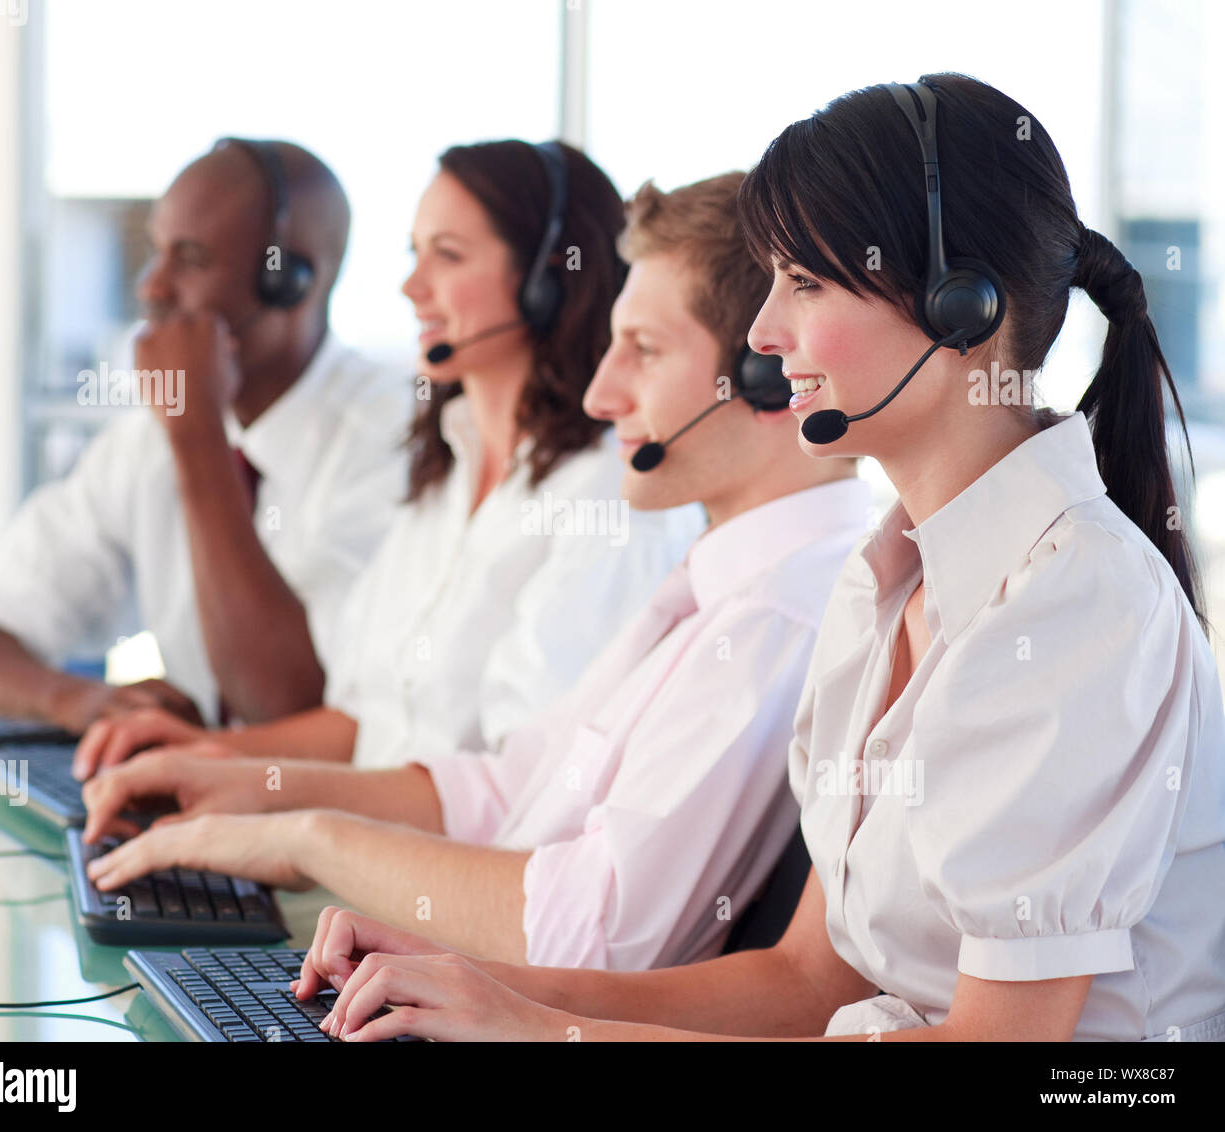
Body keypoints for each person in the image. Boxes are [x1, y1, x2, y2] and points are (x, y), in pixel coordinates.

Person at [284, 74, 1225, 1043]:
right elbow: (805, 979)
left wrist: (542, 1035)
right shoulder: (882, 581)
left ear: (960, 307)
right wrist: (472, 984)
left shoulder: (1073, 603)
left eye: (804, 284)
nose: (764, 337)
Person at [80, 172, 872, 971]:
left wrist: (306, 837)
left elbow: (591, 936)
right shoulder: (714, 586)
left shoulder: (776, 615)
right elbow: (506, 787)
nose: (605, 395)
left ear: (771, 373)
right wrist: (257, 790)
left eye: (643, 350)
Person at [70, 139, 703, 779]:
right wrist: (194, 757)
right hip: (365, 852)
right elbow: (361, 727)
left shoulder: (605, 502)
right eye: (413, 253)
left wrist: (286, 828)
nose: (411, 286)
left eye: (448, 256)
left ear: (547, 280)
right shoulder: (443, 474)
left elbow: (523, 795)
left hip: (430, 869)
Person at [0, 138, 411, 730]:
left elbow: (286, 703)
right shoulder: (142, 443)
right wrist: (82, 701)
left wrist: (197, 434)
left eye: (192, 259)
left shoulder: (394, 441)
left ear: (290, 279)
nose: (152, 288)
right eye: (156, 252)